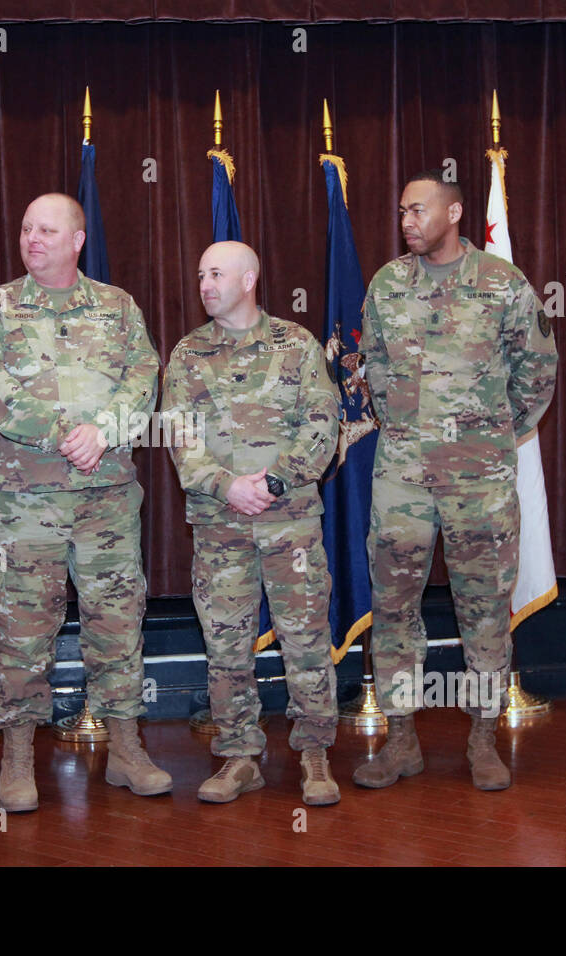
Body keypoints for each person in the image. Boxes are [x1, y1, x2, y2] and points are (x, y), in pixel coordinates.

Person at [0, 193, 170, 812]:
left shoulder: (117, 306)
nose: (33, 239)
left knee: (117, 622)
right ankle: (19, 756)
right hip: (28, 501)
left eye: (47, 230)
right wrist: (63, 433)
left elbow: (144, 375)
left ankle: (126, 749)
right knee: (22, 628)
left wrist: (103, 428)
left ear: (77, 239)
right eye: (26, 228)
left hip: (105, 499)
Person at [356, 170, 557, 791]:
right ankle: (401, 741)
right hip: (402, 479)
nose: (406, 222)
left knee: (484, 609)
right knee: (394, 606)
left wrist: (490, 433)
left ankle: (482, 738)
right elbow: (375, 365)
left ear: (456, 212)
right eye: (401, 213)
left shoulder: (503, 284)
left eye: (417, 211)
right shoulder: (388, 284)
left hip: (481, 479)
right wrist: (407, 428)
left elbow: (538, 373)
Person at [162, 241, 341, 806]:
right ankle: (240, 756)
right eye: (199, 274)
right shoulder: (188, 354)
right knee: (226, 645)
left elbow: (323, 423)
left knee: (306, 640)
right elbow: (180, 437)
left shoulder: (297, 345)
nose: (205, 283)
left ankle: (314, 752)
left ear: (249, 279)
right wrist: (227, 485)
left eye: (216, 273)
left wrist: (275, 481)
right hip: (221, 526)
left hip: (290, 524)